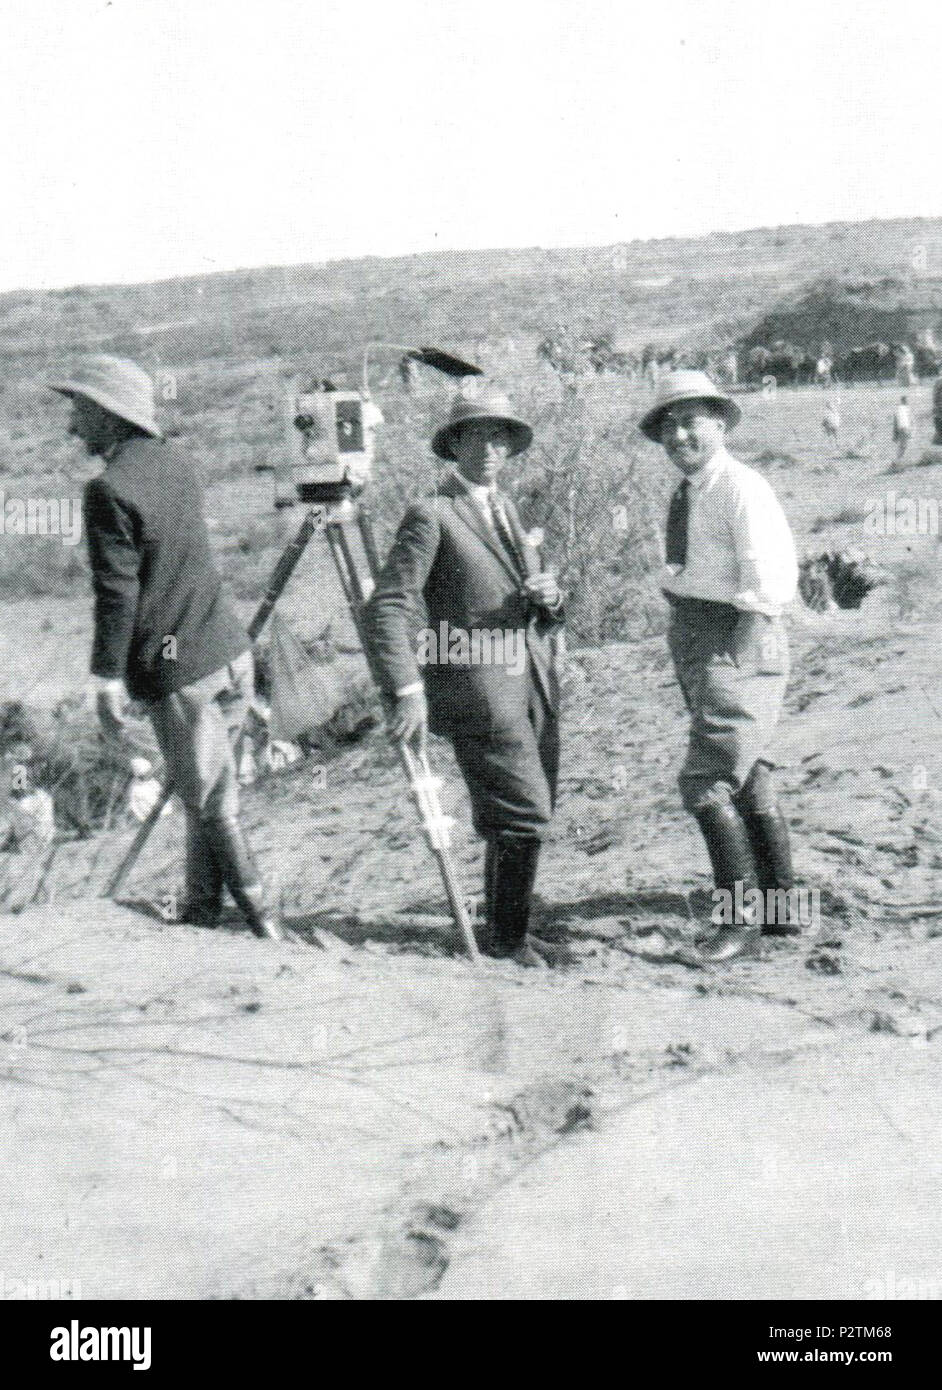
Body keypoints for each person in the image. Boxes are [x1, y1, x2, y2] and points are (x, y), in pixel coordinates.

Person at [48, 354, 281, 940]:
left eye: (79, 410)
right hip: (229, 651)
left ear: (107, 414)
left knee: (211, 800)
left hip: (181, 672)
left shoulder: (107, 490)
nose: (72, 427)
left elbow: (117, 595)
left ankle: (268, 930)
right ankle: (203, 908)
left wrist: (106, 678)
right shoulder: (178, 463)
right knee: (204, 790)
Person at [363, 392, 564, 966]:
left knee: (517, 814)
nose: (490, 449)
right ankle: (507, 941)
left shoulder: (507, 509)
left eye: (500, 438)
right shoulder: (432, 514)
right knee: (525, 811)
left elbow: (524, 598)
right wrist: (407, 689)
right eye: (476, 437)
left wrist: (550, 598)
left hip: (533, 682)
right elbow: (389, 607)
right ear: (453, 445)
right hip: (477, 687)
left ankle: (507, 933)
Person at [639, 370, 799, 962]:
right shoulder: (690, 491)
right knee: (749, 771)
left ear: (721, 423)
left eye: (691, 422)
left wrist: (739, 654)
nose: (679, 435)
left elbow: (769, 582)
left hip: (741, 635)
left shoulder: (740, 487)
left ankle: (740, 923)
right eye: (668, 426)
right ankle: (782, 912)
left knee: (706, 779)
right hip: (700, 633)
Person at [892, 395, 912, 465]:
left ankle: (898, 460)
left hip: (900, 428)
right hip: (905, 428)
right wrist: (909, 431)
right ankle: (897, 461)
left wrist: (895, 434)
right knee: (903, 446)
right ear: (905, 401)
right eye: (907, 401)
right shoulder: (907, 409)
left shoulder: (898, 409)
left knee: (902, 445)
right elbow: (908, 421)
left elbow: (895, 421)